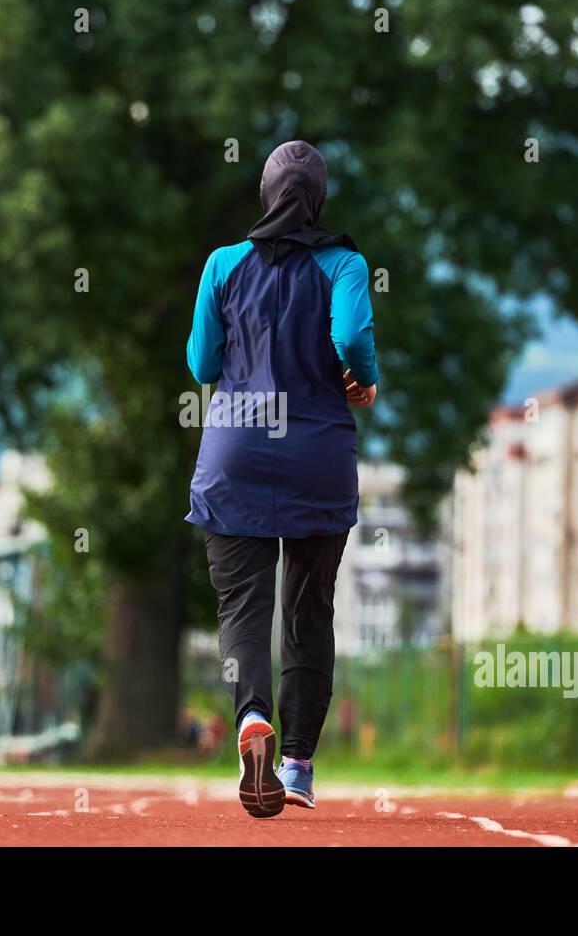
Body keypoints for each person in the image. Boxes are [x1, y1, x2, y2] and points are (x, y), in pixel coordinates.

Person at [185, 140, 378, 818]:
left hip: (235, 450)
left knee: (242, 607)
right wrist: (366, 378)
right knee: (307, 610)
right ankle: (296, 764)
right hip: (315, 453)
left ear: (266, 194)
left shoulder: (223, 263)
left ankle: (250, 719)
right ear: (319, 198)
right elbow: (352, 336)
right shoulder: (344, 263)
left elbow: (202, 362)